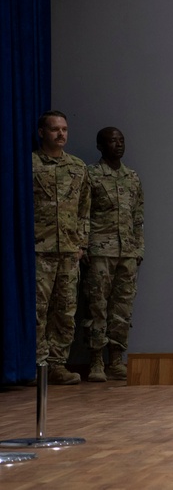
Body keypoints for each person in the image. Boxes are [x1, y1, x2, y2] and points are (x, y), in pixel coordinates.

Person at [33, 110, 91, 385]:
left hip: (69, 250)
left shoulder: (78, 168)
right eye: (55, 129)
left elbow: (84, 209)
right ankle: (37, 364)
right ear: (42, 132)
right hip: (39, 248)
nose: (61, 134)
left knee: (66, 311)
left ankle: (57, 365)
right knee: (38, 310)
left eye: (65, 129)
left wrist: (81, 244)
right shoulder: (30, 164)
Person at [84, 127, 145, 382]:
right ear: (100, 146)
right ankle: (96, 361)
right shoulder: (92, 175)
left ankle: (116, 359)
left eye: (121, 140)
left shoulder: (132, 177)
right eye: (112, 141)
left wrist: (139, 248)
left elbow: (138, 216)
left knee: (122, 308)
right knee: (97, 307)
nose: (118, 145)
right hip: (100, 250)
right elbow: (83, 212)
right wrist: (84, 245)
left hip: (127, 252)